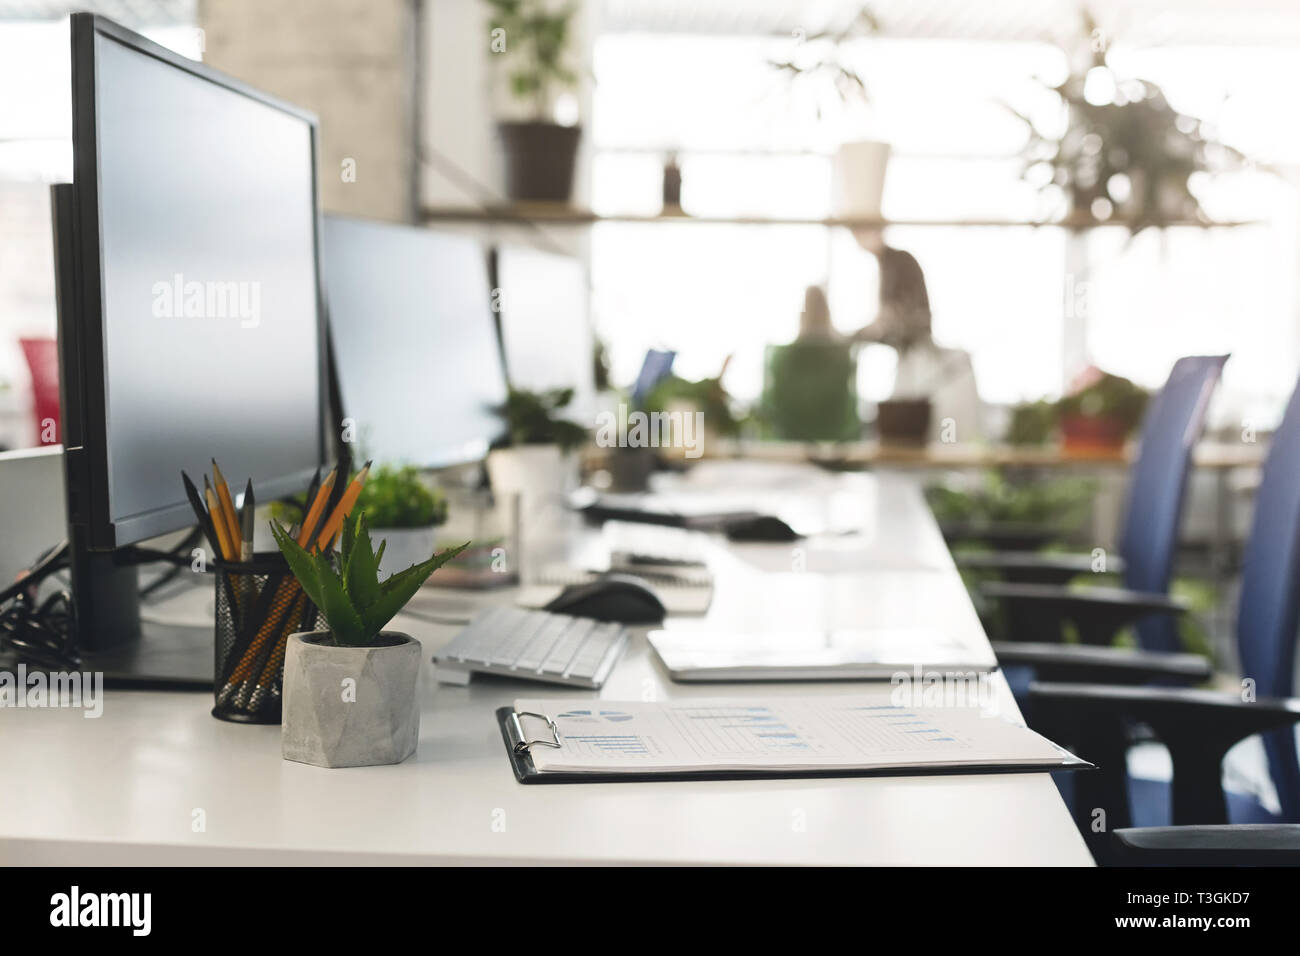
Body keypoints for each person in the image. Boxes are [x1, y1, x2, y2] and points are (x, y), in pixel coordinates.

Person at [849, 228, 983, 442]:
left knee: (914, 422)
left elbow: (895, 317)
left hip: (917, 355)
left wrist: (860, 334)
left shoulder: (897, 261)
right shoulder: (886, 263)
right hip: (908, 356)